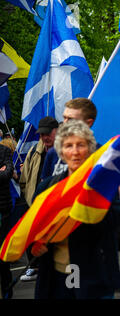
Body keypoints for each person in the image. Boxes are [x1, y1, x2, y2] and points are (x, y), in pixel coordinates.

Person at [31, 120, 120, 299]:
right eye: (68, 146)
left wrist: (87, 200)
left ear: (89, 150)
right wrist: (36, 243)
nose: (75, 152)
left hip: (95, 276)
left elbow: (115, 221)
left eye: (80, 145)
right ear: (61, 151)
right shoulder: (45, 188)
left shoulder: (102, 185)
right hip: (55, 278)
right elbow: (33, 227)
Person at [18, 116, 59, 282]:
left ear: (57, 131)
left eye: (48, 133)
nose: (45, 137)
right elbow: (24, 179)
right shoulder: (35, 151)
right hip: (36, 206)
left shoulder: (66, 152)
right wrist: (30, 198)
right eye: (41, 134)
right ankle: (36, 268)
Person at [0, 142, 14, 298]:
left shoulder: (4, 151)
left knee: (2, 258)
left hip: (2, 213)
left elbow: (7, 173)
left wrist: (3, 172)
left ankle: (7, 292)